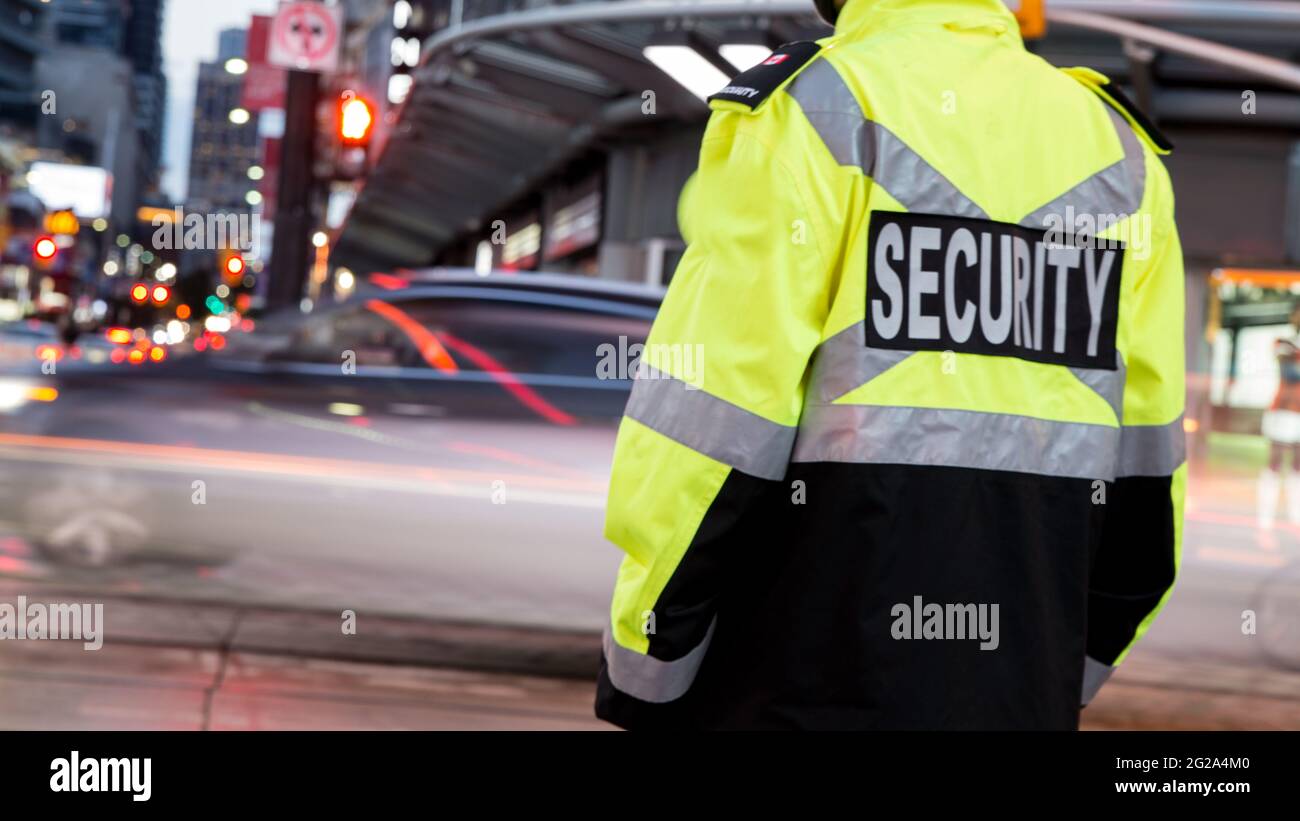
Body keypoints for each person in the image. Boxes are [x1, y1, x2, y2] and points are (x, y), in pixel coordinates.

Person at [596, 0, 1185, 729]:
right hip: (1023, 688)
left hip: (791, 681)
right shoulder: (1119, 147)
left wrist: (648, 661)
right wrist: (1065, 664)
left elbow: (709, 428)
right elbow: (1148, 481)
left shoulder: (812, 109)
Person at [1257, 302, 1300, 541]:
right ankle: (1265, 520)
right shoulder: (1283, 343)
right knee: (1274, 463)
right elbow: (1292, 373)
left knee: (1298, 466)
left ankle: (1296, 518)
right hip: (1283, 411)